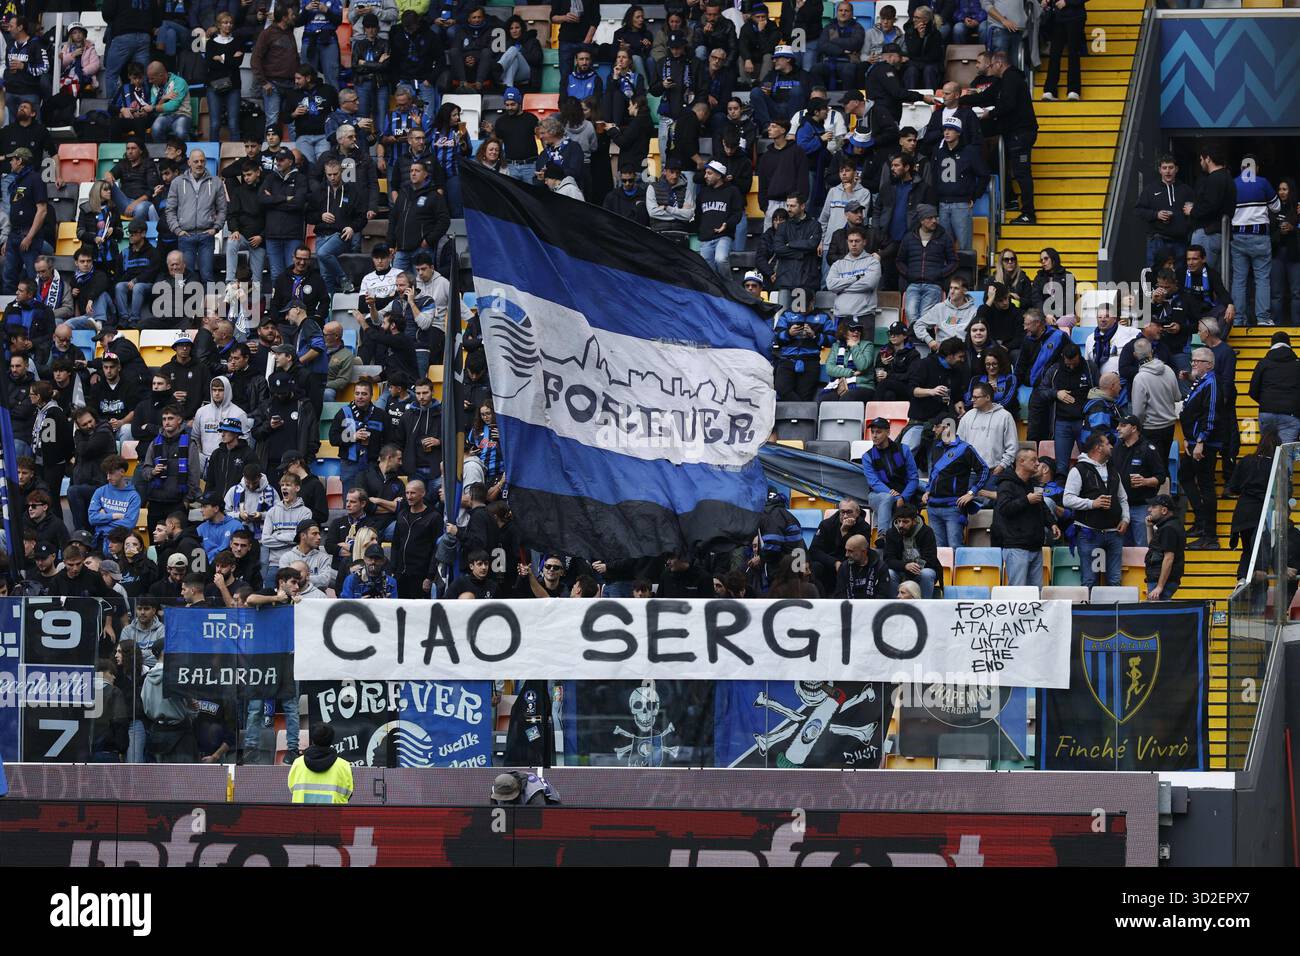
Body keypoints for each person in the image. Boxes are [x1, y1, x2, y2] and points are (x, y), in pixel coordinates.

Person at [959, 51, 1037, 224]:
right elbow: (985, 96)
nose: (990, 68)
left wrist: (990, 114)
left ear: (999, 64)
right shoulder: (1002, 81)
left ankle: (1029, 213)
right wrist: (961, 100)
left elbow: (1008, 104)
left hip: (1021, 133)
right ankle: (1011, 200)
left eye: (992, 65)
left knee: (1022, 173)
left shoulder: (1012, 79)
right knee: (996, 161)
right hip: (1013, 133)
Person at [1063, 432, 1128, 589]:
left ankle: (1114, 614)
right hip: (1089, 532)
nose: (1111, 446)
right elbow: (1067, 499)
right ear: (1098, 448)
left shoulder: (1113, 470)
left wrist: (1126, 519)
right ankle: (1087, 614)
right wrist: (1092, 503)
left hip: (1114, 533)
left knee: (1114, 581)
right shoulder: (1078, 470)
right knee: (1089, 581)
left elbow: (1123, 498)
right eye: (1107, 444)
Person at [1180, 346, 1226, 550]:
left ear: (1208, 364)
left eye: (1197, 361)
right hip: (1193, 442)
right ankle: (1200, 521)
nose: (1193, 363)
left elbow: (1210, 414)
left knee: (1206, 485)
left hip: (1204, 445)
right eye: (1192, 360)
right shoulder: (1202, 381)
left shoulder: (1212, 382)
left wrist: (1200, 441)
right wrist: (1188, 439)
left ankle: (1210, 535)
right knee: (1185, 476)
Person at [923, 416, 990, 549]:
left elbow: (984, 470)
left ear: (948, 427)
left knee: (955, 547)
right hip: (933, 506)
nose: (934, 430)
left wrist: (972, 493)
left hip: (953, 507)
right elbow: (933, 473)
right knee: (938, 550)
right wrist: (927, 490)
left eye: (937, 426)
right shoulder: (935, 447)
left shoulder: (965, 449)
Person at [994, 448, 1059, 586]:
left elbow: (1042, 506)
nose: (1037, 463)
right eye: (1034, 460)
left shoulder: (1032, 483)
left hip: (1035, 546)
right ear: (1021, 462)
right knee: (1019, 595)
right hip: (1016, 547)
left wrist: (1052, 523)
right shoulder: (1006, 484)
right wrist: (1026, 500)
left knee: (1036, 594)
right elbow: (1004, 509)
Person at [1230, 155, 1280, 328]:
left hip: (1237, 237)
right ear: (1256, 168)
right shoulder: (1263, 182)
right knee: (1262, 278)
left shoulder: (1233, 184)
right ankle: (1263, 318)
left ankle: (1237, 319)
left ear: (1242, 168)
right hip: (1260, 237)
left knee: (1239, 279)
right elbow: (1276, 207)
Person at [896, 205, 956, 324]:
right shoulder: (909, 237)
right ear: (921, 220)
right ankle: (920, 339)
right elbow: (899, 261)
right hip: (913, 284)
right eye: (930, 218)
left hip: (934, 284)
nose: (934, 220)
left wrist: (940, 274)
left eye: (935, 217)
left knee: (926, 315)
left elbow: (954, 261)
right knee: (910, 313)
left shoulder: (944, 237)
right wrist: (908, 274)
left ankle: (917, 339)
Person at [1114, 414, 1166, 548]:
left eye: (1123, 425)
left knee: (1142, 547)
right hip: (1120, 506)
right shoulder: (1117, 448)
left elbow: (1161, 476)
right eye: (1118, 425)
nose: (1118, 428)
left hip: (1141, 506)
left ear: (1133, 428)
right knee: (1122, 548)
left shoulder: (1148, 449)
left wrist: (1145, 481)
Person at [1183, 143, 1235, 274]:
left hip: (1207, 234)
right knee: (1216, 278)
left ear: (1208, 159)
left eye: (1201, 159)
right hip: (1221, 233)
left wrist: (1192, 210)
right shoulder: (1228, 178)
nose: (1200, 163)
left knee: (1200, 276)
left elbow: (1210, 205)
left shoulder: (1215, 178)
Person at [1136, 154, 1193, 268]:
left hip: (1180, 241)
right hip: (1157, 240)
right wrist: (1156, 214)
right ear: (1160, 170)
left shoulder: (1186, 190)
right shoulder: (1150, 189)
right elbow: (1138, 210)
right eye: (1164, 168)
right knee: (1155, 274)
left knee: (1179, 276)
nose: (1168, 171)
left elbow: (1194, 212)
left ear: (1176, 169)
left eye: (1171, 167)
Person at [862, 415, 918, 531]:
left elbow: (913, 478)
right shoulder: (867, 456)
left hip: (903, 494)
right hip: (877, 495)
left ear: (888, 432)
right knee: (887, 498)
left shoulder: (904, 450)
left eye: (878, 432)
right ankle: (883, 534)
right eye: (872, 432)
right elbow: (874, 483)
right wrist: (896, 496)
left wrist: (903, 497)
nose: (874, 436)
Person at [252, 4, 301, 129]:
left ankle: (295, 149)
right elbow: (255, 59)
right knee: (272, 121)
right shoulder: (267, 34)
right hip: (273, 85)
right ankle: (269, 148)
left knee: (293, 122)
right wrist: (263, 82)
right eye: (291, 15)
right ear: (284, 18)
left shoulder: (290, 32)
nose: (294, 16)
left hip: (291, 84)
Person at [1049, 343, 1093, 480]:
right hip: (1062, 423)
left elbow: (1099, 389)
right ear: (1063, 358)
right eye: (1068, 364)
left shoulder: (1090, 368)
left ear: (1079, 357)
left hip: (1084, 422)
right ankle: (1060, 494)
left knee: (1090, 462)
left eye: (1074, 363)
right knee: (1061, 467)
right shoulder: (1055, 369)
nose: (1071, 367)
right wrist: (1056, 393)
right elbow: (1041, 391)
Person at [1249, 330, 1300, 445]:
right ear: (1289, 345)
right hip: (1291, 414)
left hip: (1266, 412)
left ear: (1272, 345)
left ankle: (1265, 463)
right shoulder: (1298, 364)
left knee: (1267, 449)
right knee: (1285, 453)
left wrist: (1266, 402)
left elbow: (1252, 391)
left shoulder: (1263, 363)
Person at [825, 228, 881, 333]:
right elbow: (831, 286)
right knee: (840, 349)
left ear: (864, 242)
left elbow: (868, 284)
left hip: (864, 315)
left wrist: (841, 287)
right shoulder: (838, 264)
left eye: (857, 241)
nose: (854, 244)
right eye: (851, 241)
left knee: (864, 349)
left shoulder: (873, 262)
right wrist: (855, 278)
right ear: (847, 242)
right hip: (841, 316)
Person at [882, 502, 941, 598]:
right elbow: (888, 559)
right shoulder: (891, 533)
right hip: (901, 570)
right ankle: (894, 606)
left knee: (927, 574)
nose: (901, 525)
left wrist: (914, 567)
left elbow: (930, 558)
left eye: (905, 522)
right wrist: (905, 566)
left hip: (921, 569)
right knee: (890, 573)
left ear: (914, 521)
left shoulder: (927, 531)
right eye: (899, 521)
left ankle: (925, 606)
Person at [1144, 494, 1185, 601]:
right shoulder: (1168, 526)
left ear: (1164, 510)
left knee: (1158, 613)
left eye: (1153, 507)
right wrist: (1149, 527)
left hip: (1162, 580)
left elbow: (1169, 558)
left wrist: (1160, 586)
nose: (1149, 510)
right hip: (1160, 578)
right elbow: (1152, 548)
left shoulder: (1168, 529)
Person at [833, 532, 892, 598]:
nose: (846, 555)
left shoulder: (880, 567)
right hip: (850, 606)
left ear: (864, 551)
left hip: (873, 606)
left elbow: (883, 595)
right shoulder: (844, 567)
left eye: (850, 551)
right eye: (846, 550)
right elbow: (839, 594)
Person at [490, 770, 560, 806]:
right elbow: (492, 814)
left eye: (507, 797)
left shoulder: (533, 792)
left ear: (517, 789)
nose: (505, 801)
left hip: (550, 805)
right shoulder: (496, 788)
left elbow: (539, 817)